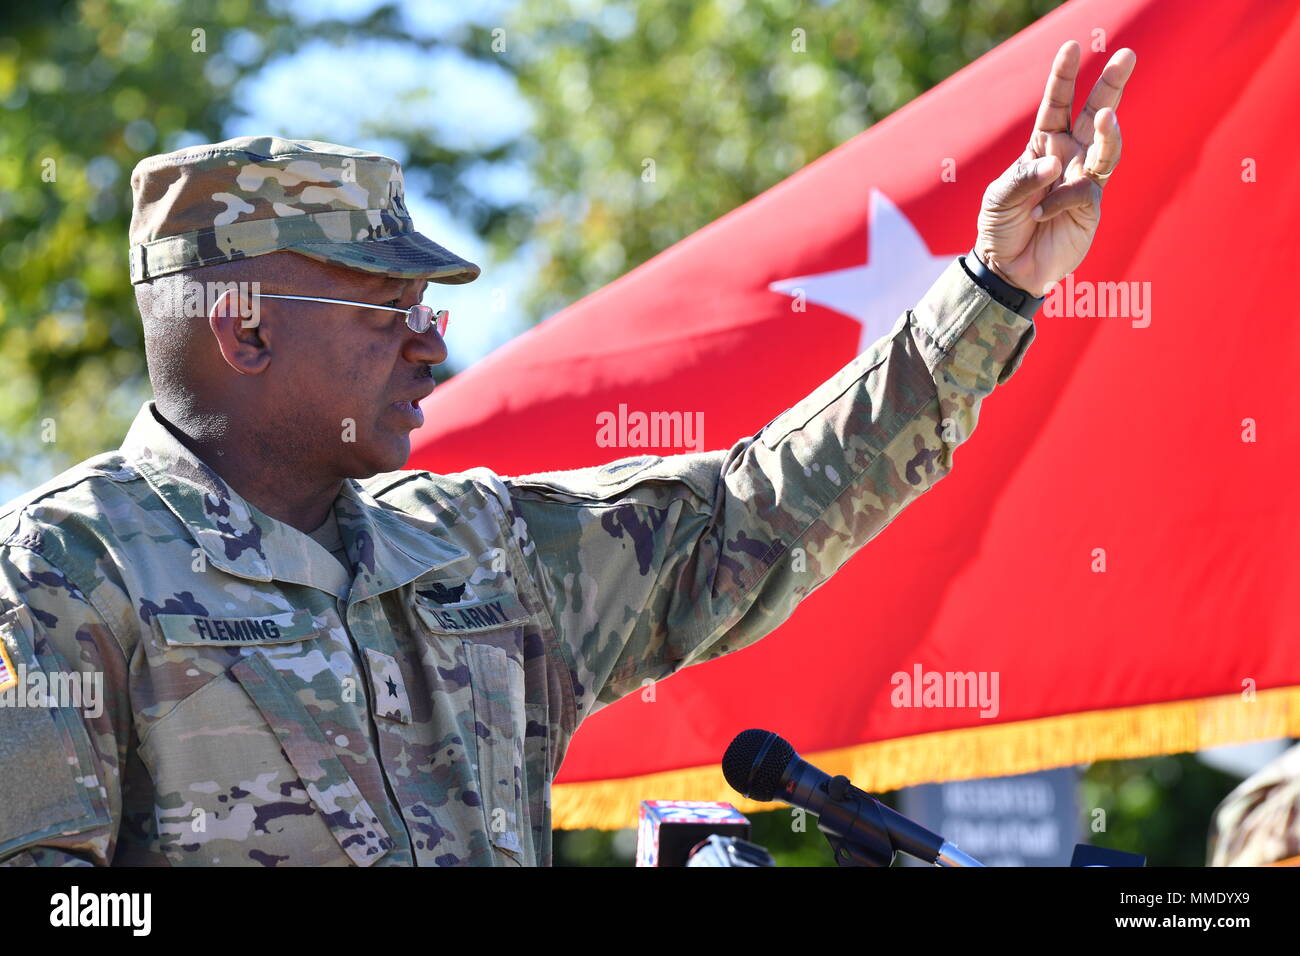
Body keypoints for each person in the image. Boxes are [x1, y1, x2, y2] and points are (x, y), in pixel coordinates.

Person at [0, 41, 1133, 866]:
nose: (428, 349)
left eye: (430, 314)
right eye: (387, 311)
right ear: (244, 327)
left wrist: (991, 291)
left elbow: (759, 513)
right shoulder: (66, 565)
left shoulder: (477, 549)